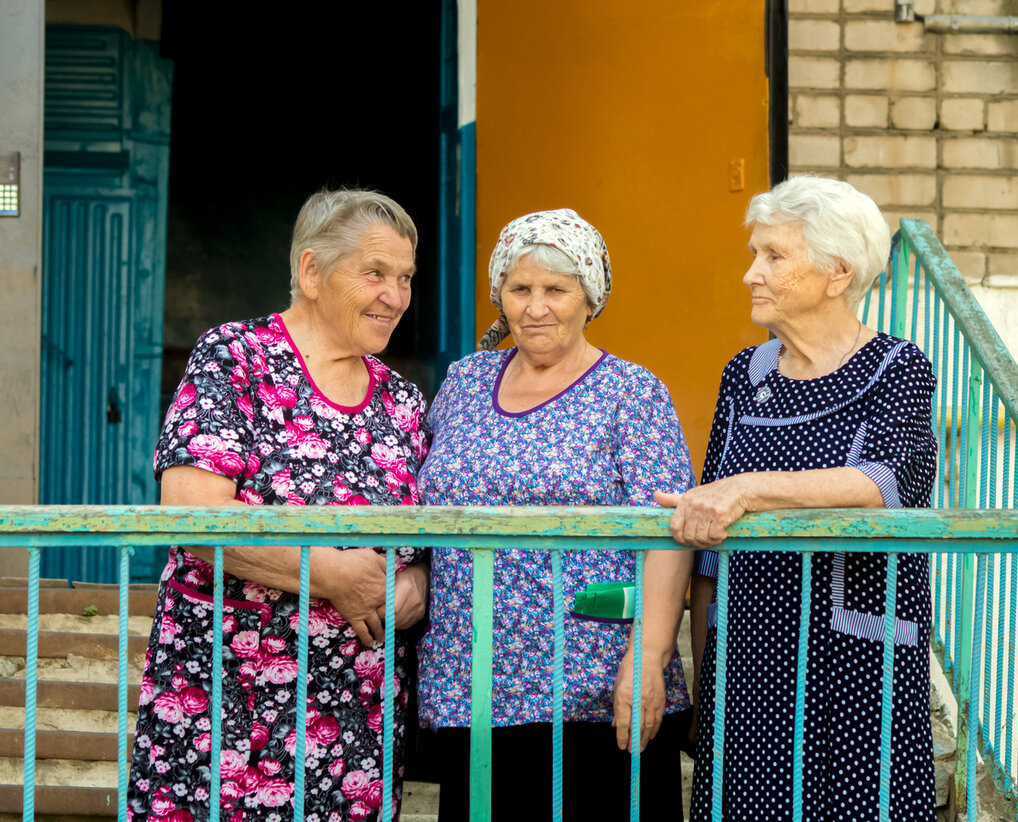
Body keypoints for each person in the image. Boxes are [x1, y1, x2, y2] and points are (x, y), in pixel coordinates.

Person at [128, 189, 431, 821]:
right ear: (312, 272)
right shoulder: (236, 358)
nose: (395, 296)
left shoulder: (402, 401)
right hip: (226, 706)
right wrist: (327, 573)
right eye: (374, 274)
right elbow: (190, 513)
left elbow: (430, 542)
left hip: (358, 718)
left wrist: (415, 589)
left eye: (404, 278)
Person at [652, 175, 938, 821]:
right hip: (751, 652)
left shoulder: (898, 367)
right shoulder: (743, 373)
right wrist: (706, 676)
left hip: (858, 659)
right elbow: (708, 537)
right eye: (756, 254)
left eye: (774, 256)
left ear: (837, 272)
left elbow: (887, 481)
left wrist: (747, 489)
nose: (751, 274)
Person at [416, 209, 695, 821]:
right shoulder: (463, 383)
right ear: (500, 296)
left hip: (595, 689)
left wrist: (647, 661)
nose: (536, 307)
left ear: (590, 297)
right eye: (520, 289)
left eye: (556, 290)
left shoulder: (631, 392)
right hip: (473, 684)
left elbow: (670, 534)